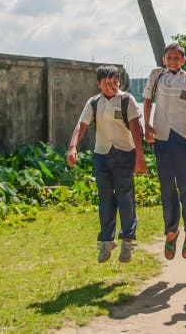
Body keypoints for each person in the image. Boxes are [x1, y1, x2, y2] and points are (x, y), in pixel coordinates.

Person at [66, 64, 146, 263]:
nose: (112, 86)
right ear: (99, 84)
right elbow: (81, 125)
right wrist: (73, 146)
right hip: (101, 155)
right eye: (107, 83)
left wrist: (139, 157)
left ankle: (127, 240)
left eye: (115, 82)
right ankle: (106, 241)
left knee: (125, 197)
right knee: (105, 199)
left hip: (124, 154)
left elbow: (136, 128)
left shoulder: (127, 100)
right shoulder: (93, 103)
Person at [143, 43, 186, 260]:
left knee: (184, 185)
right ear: (164, 59)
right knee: (166, 187)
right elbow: (147, 101)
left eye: (177, 57)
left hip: (182, 137)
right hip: (161, 137)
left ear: (183, 60)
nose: (173, 60)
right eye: (169, 57)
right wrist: (147, 126)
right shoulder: (156, 75)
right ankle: (171, 231)